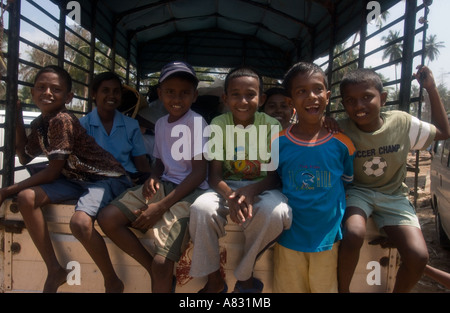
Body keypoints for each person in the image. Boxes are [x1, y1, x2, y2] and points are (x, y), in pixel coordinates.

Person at [0, 65, 132, 292]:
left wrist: (6, 191)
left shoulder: (62, 120)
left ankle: (112, 280)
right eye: (41, 87)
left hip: (105, 178)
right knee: (26, 198)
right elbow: (23, 156)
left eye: (56, 89)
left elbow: (52, 172)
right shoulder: (41, 124)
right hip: (74, 180)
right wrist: (17, 114)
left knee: (79, 223)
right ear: (32, 93)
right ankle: (54, 268)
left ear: (68, 97)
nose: (47, 93)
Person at [97, 61, 209, 293]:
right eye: (170, 92)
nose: (176, 98)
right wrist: (152, 177)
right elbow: (159, 161)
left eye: (184, 93)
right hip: (165, 184)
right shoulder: (160, 124)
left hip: (191, 192)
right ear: (160, 94)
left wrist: (160, 207)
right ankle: (156, 271)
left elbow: (199, 173)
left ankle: (159, 271)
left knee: (162, 262)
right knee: (108, 218)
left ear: (195, 96)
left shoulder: (196, 123)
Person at [337, 66, 450, 293]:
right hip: (358, 192)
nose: (358, 106)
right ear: (343, 104)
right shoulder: (340, 128)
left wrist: (430, 89)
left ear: (384, 98)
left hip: (394, 195)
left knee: (418, 256)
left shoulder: (401, 123)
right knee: (354, 233)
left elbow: (443, 132)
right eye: (350, 100)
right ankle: (342, 290)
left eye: (367, 97)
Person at [244, 62, 355, 292]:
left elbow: (347, 183)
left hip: (328, 240)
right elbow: (272, 178)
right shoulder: (278, 142)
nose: (311, 96)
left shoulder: (343, 144)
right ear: (291, 102)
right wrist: (251, 190)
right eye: (301, 91)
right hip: (289, 239)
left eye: (317, 89)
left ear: (328, 94)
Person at [188, 66, 292, 293]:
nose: (243, 101)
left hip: (262, 187)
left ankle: (245, 275)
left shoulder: (271, 126)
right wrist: (231, 196)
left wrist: (252, 191)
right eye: (235, 94)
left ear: (261, 98)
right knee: (200, 209)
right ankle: (214, 279)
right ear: (225, 98)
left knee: (276, 213)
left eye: (250, 94)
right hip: (227, 187)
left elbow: (273, 176)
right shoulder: (219, 124)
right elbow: (214, 176)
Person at [80, 72, 151, 185]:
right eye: (105, 90)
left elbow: (141, 161)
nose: (111, 95)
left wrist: (149, 182)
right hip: (96, 178)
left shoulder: (131, 125)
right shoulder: (83, 125)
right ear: (94, 94)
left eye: (116, 91)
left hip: (128, 178)